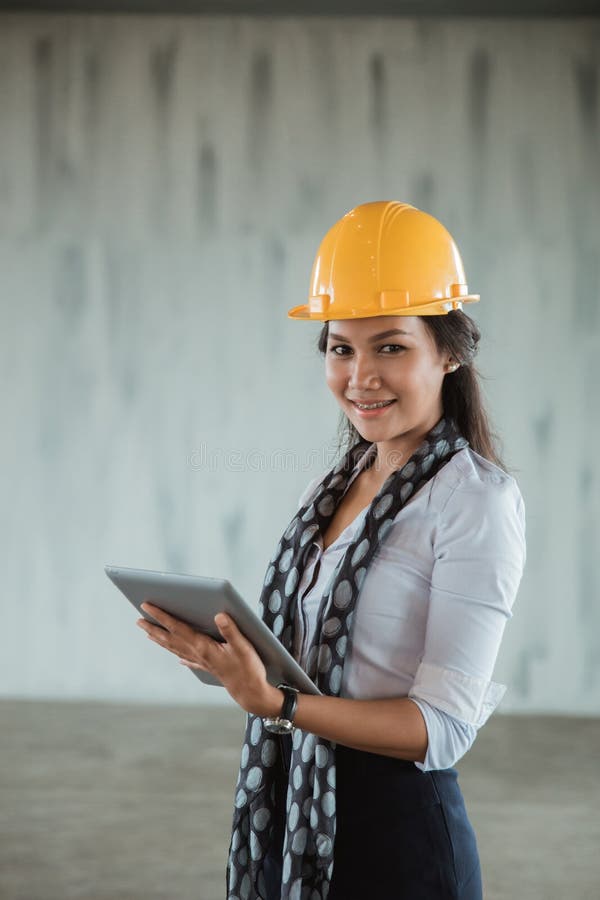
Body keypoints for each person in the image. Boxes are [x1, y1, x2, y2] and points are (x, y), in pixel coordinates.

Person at [136, 200, 527, 900]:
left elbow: (441, 728)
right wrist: (230, 660)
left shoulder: (475, 501)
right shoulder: (332, 486)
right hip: (293, 816)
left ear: (450, 353)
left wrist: (276, 702)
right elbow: (302, 660)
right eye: (341, 348)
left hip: (398, 841)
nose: (360, 376)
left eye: (391, 347)